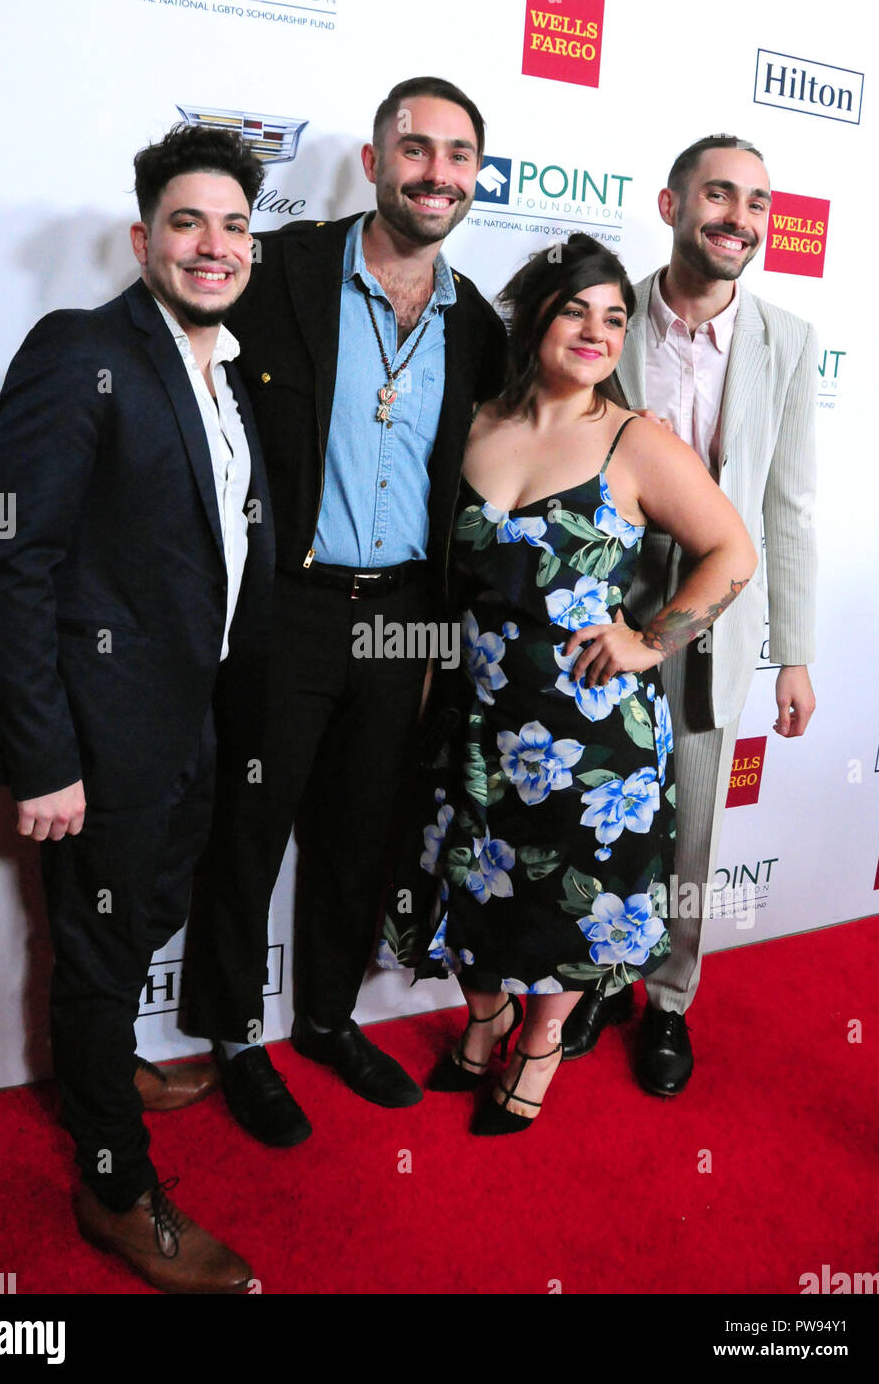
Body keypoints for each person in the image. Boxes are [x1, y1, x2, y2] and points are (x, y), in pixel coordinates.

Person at [0, 124, 274, 1292]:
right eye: (189, 223)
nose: (214, 245)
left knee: (140, 915)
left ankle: (108, 1063)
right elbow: (13, 560)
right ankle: (113, 1182)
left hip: (188, 718)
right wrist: (45, 756)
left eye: (235, 225)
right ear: (144, 236)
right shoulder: (80, 349)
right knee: (98, 953)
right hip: (96, 735)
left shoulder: (225, 368)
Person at [181, 77, 506, 1146]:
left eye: (459, 156)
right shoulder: (286, 273)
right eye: (417, 149)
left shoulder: (481, 327)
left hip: (407, 614)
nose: (437, 174)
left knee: (362, 830)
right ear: (374, 163)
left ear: (475, 179)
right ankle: (232, 1036)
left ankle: (324, 1017)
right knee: (251, 828)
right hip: (288, 600)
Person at [388, 233, 757, 1134]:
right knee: (471, 879)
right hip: (474, 716)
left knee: (568, 898)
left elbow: (732, 553)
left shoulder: (635, 441)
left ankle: (543, 1042)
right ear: (538, 320)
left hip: (589, 736)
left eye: (615, 318)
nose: (596, 332)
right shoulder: (472, 422)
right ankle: (487, 1017)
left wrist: (646, 640)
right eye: (575, 311)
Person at [560, 135, 817, 1095]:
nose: (738, 219)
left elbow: (788, 506)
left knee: (694, 831)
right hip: (599, 616)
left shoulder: (786, 340)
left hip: (720, 622)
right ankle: (591, 983)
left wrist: (793, 651)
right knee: (595, 814)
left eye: (755, 203)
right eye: (719, 195)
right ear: (672, 205)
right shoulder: (606, 314)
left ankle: (668, 999)